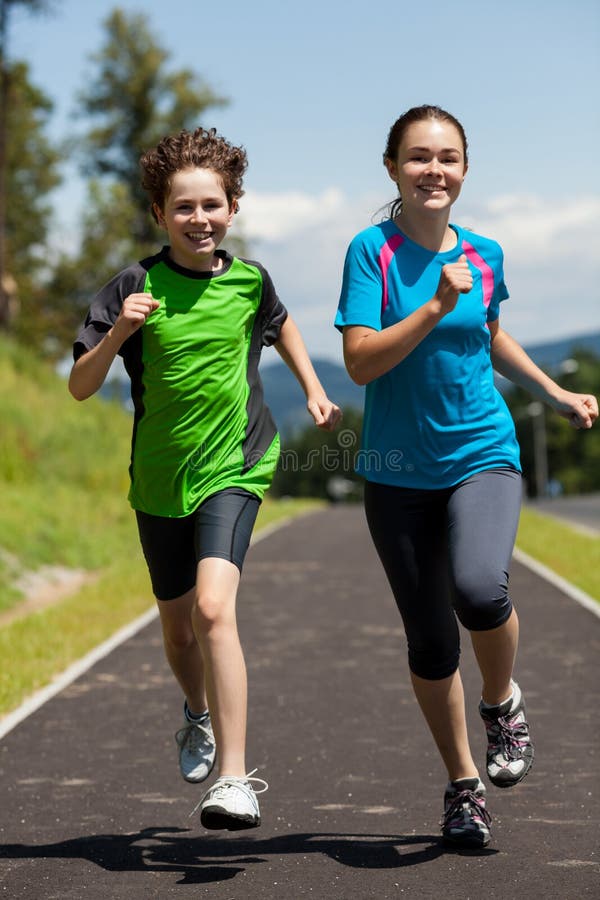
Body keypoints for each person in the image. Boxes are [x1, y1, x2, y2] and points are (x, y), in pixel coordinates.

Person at [334, 104, 598, 849]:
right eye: (419, 157)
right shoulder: (371, 251)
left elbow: (490, 334)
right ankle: (463, 788)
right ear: (392, 168)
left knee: (480, 588)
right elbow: (359, 362)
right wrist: (433, 307)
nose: (434, 170)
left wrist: (552, 390)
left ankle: (501, 702)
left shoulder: (486, 253)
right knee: (430, 644)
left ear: (465, 169)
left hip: (483, 449)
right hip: (397, 471)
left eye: (447, 157)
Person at [69, 126, 341, 832]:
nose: (199, 218)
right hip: (160, 480)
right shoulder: (133, 285)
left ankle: (234, 779)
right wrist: (118, 334)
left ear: (233, 208)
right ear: (159, 214)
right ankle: (196, 713)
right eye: (183, 207)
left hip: (237, 463)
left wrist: (313, 389)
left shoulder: (251, 280)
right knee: (179, 630)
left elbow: (282, 326)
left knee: (214, 611)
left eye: (212, 204)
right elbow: (79, 385)